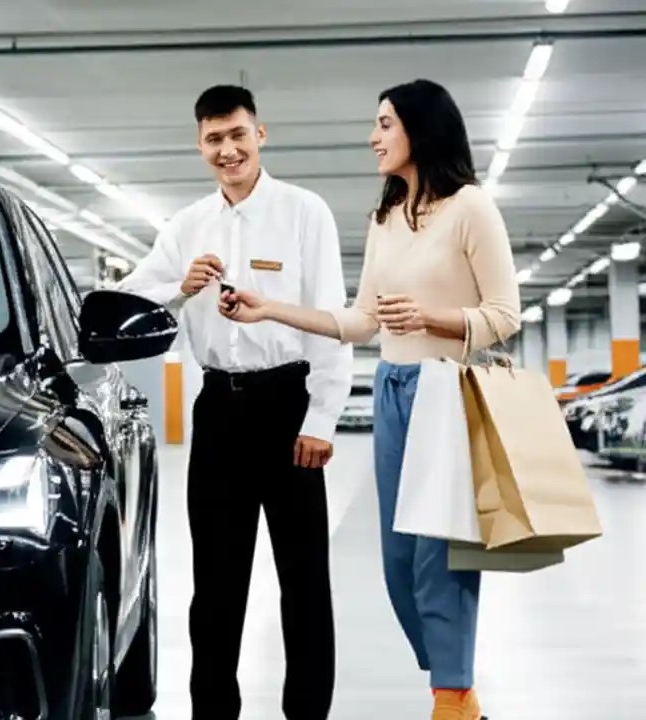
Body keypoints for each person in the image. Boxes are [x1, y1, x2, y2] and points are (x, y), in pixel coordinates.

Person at [219, 78, 521, 720]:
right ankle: (456, 684)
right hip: (391, 389)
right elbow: (361, 321)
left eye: (384, 124)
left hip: (449, 392)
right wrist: (271, 308)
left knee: (440, 558)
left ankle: (451, 696)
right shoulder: (384, 217)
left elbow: (505, 314)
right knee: (399, 562)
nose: (372, 136)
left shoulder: (471, 207)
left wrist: (434, 319)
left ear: (422, 127)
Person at [117, 84, 351, 720]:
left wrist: (323, 417)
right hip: (218, 409)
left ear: (260, 135)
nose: (228, 149)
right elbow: (128, 298)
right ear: (199, 145)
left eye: (238, 134)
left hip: (289, 405)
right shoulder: (187, 226)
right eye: (214, 139)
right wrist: (177, 283)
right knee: (216, 585)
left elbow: (332, 317)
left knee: (304, 582)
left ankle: (307, 711)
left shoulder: (306, 212)